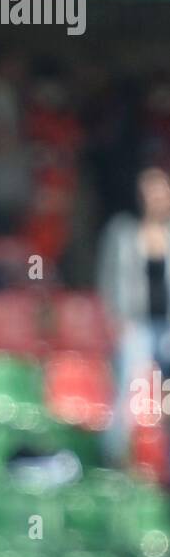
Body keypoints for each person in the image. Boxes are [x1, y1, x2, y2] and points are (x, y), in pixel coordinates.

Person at [98, 164, 170, 460]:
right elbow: (107, 277)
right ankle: (113, 458)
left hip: (167, 324)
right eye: (149, 191)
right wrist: (116, 318)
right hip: (136, 323)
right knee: (128, 388)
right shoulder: (122, 231)